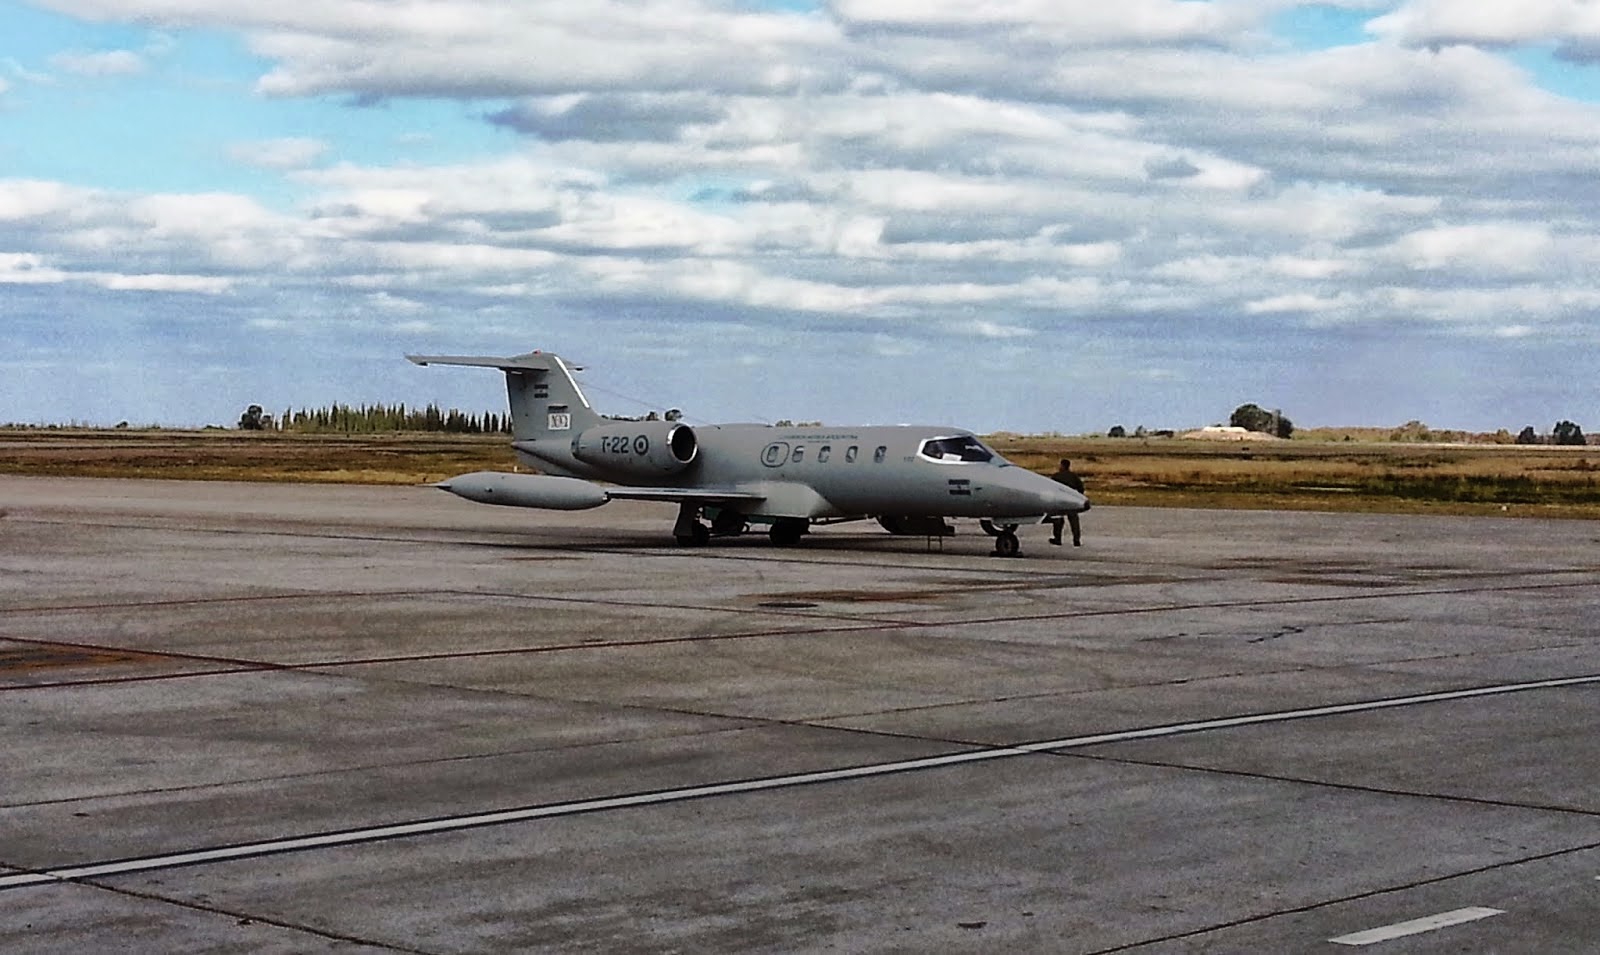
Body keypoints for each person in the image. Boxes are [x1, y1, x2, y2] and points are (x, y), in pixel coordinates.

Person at [1048, 458, 1084, 546]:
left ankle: (1058, 539)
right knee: (1074, 521)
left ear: (1062, 466)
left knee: (1058, 520)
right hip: (1071, 500)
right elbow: (1081, 488)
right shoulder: (1073, 476)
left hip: (1059, 500)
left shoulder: (1056, 476)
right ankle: (1076, 540)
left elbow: (1050, 487)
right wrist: (1078, 497)